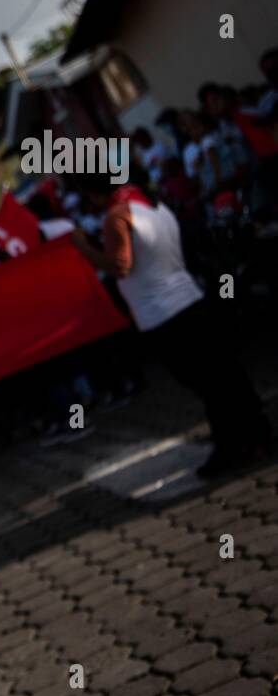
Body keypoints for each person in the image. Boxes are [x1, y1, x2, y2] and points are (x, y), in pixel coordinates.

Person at [71, 178, 271, 477]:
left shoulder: (117, 216)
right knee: (226, 374)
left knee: (208, 383)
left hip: (162, 315)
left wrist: (84, 247)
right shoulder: (153, 204)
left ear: (93, 193)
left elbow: (120, 265)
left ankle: (233, 445)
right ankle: (258, 433)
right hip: (190, 299)